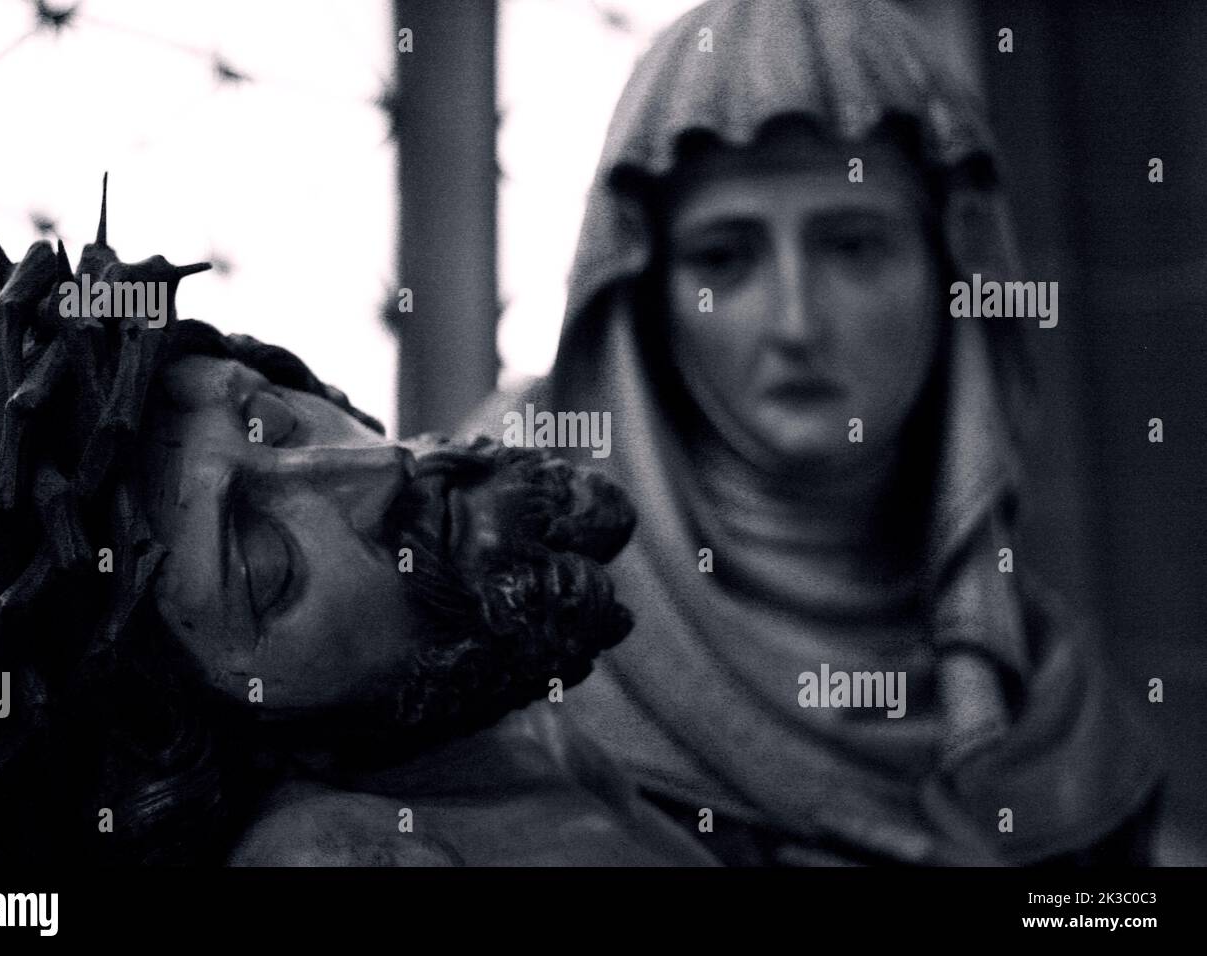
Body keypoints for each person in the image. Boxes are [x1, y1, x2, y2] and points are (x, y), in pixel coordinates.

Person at [466, 0, 1163, 865]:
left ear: (954, 279)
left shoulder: (1062, 734)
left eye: (854, 245)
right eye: (724, 258)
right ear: (646, 305)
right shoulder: (503, 622)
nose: (795, 322)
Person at [0, 180, 716, 866]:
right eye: (268, 567)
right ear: (228, 737)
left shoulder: (495, 743)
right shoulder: (336, 850)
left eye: (276, 420)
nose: (375, 472)